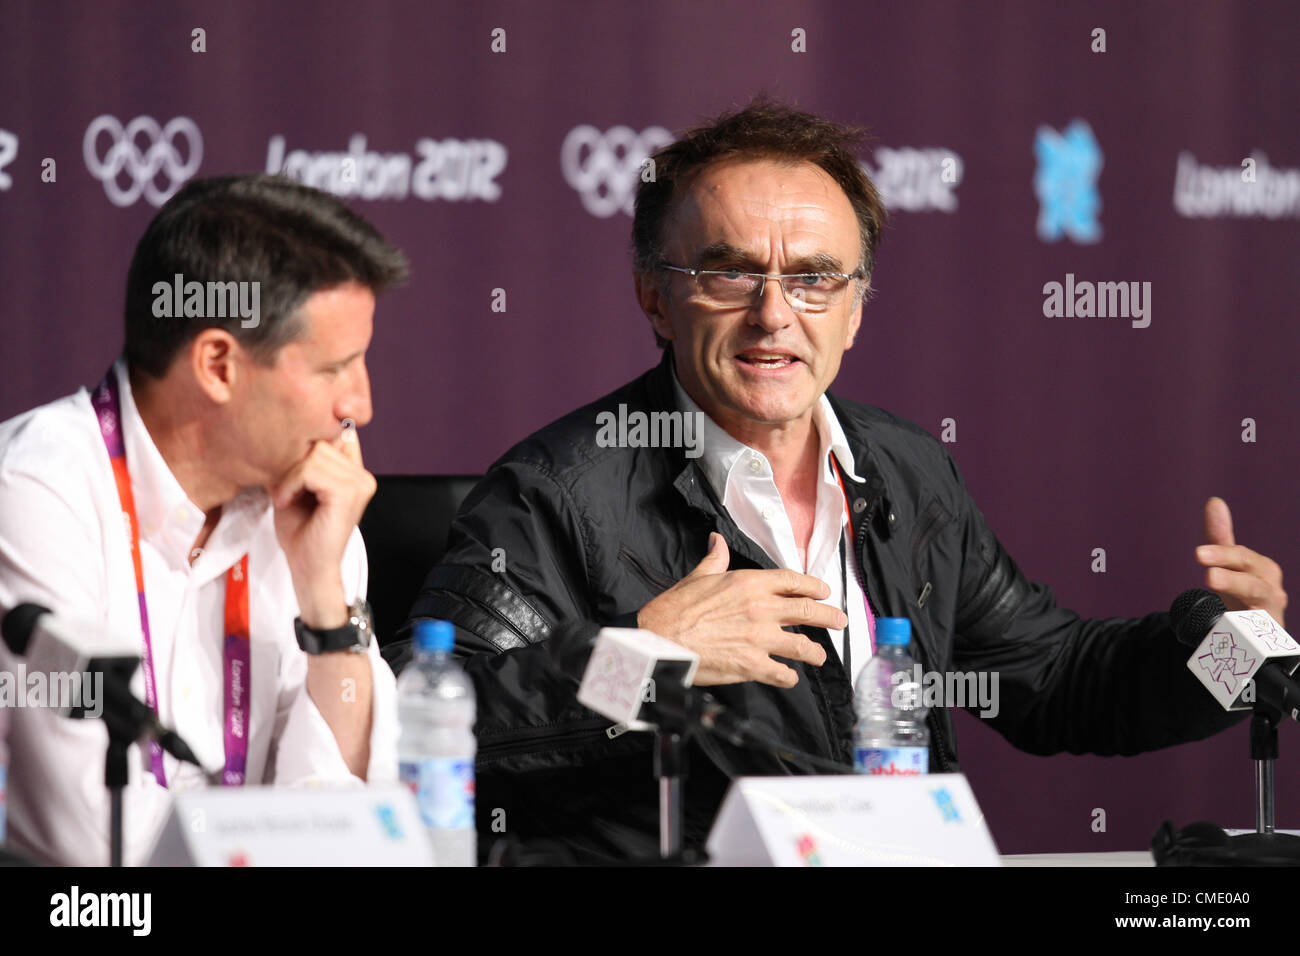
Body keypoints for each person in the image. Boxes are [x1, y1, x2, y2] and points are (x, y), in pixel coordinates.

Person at [401, 98, 1287, 863]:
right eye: (730, 271)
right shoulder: (558, 489)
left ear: (857, 308)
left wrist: (1233, 650)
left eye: (814, 278)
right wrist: (640, 658)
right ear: (654, 296)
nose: (774, 314)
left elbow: (1058, 681)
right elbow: (415, 713)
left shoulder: (905, 467)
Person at [0, 174, 409, 865]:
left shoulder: (315, 509)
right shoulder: (36, 493)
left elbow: (353, 821)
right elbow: (100, 845)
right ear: (218, 364)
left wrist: (325, 604)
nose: (360, 406)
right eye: (338, 367)